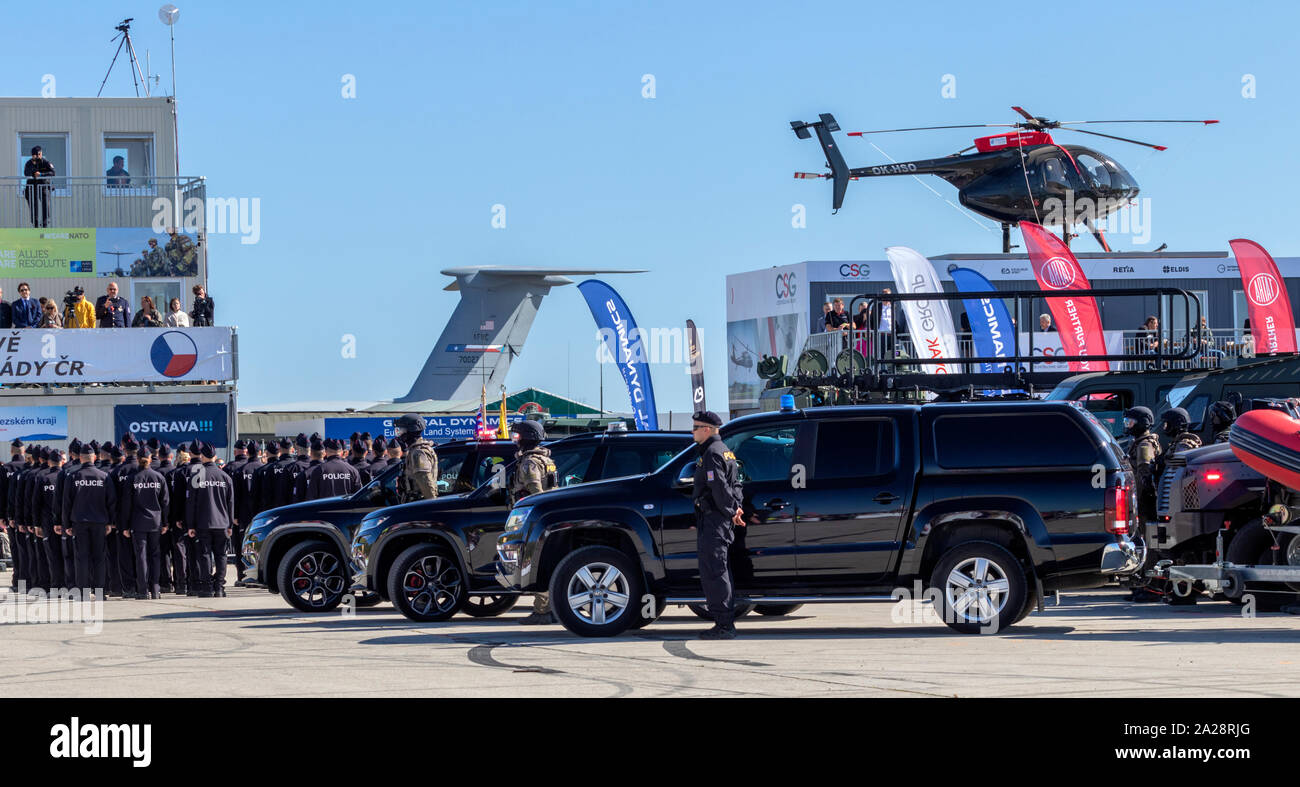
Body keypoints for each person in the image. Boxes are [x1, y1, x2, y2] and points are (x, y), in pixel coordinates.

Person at [690, 410, 744, 640]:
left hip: (714, 520)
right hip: (720, 518)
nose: (691, 431)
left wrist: (732, 511)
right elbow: (737, 484)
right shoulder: (726, 451)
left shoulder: (712, 453)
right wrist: (737, 507)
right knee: (719, 569)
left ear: (706, 429)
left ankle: (724, 625)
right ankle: (724, 622)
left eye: (695, 427)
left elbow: (720, 488)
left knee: (715, 571)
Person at [509, 420, 559, 625]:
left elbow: (535, 489)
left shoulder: (530, 462)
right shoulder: (545, 459)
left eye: (517, 435)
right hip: (548, 516)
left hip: (534, 518)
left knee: (537, 563)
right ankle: (552, 608)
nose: (515, 439)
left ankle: (542, 611)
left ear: (526, 437)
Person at [63, 442, 117, 599]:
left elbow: (66, 503)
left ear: (80, 458)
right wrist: (110, 522)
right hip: (99, 523)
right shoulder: (104, 477)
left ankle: (82, 592)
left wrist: (67, 524)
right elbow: (111, 501)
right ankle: (100, 592)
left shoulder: (73, 477)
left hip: (79, 523)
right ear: (94, 457)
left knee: (81, 557)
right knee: (99, 558)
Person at [185, 442, 234, 598]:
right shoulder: (225, 476)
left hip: (203, 523)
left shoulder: (196, 476)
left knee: (204, 555)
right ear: (214, 456)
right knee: (221, 556)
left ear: (202, 456)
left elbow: (191, 503)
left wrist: (190, 525)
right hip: (222, 523)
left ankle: (206, 588)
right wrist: (230, 524)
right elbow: (230, 503)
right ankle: (219, 587)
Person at [123, 446, 169, 599]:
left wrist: (125, 526)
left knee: (141, 556)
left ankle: (142, 590)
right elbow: (165, 503)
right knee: (155, 556)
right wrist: (165, 523)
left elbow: (127, 505)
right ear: (151, 459)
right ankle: (155, 590)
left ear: (137, 459)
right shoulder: (158, 477)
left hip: (138, 523)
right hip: (155, 523)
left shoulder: (132, 478)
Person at [396, 415, 438, 501]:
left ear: (411, 430)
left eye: (401, 430)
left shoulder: (418, 453)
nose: (399, 434)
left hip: (419, 503)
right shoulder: (415, 450)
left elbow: (425, 482)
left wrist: (432, 504)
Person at [23, 146, 55, 228]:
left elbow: (52, 173)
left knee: (45, 205)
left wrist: (41, 174)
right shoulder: (29, 163)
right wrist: (33, 168)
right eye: (36, 155)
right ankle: (35, 224)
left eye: (39, 154)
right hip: (32, 187)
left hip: (43, 186)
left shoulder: (45, 162)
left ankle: (45, 224)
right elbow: (26, 173)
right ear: (32, 155)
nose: (38, 156)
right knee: (34, 206)